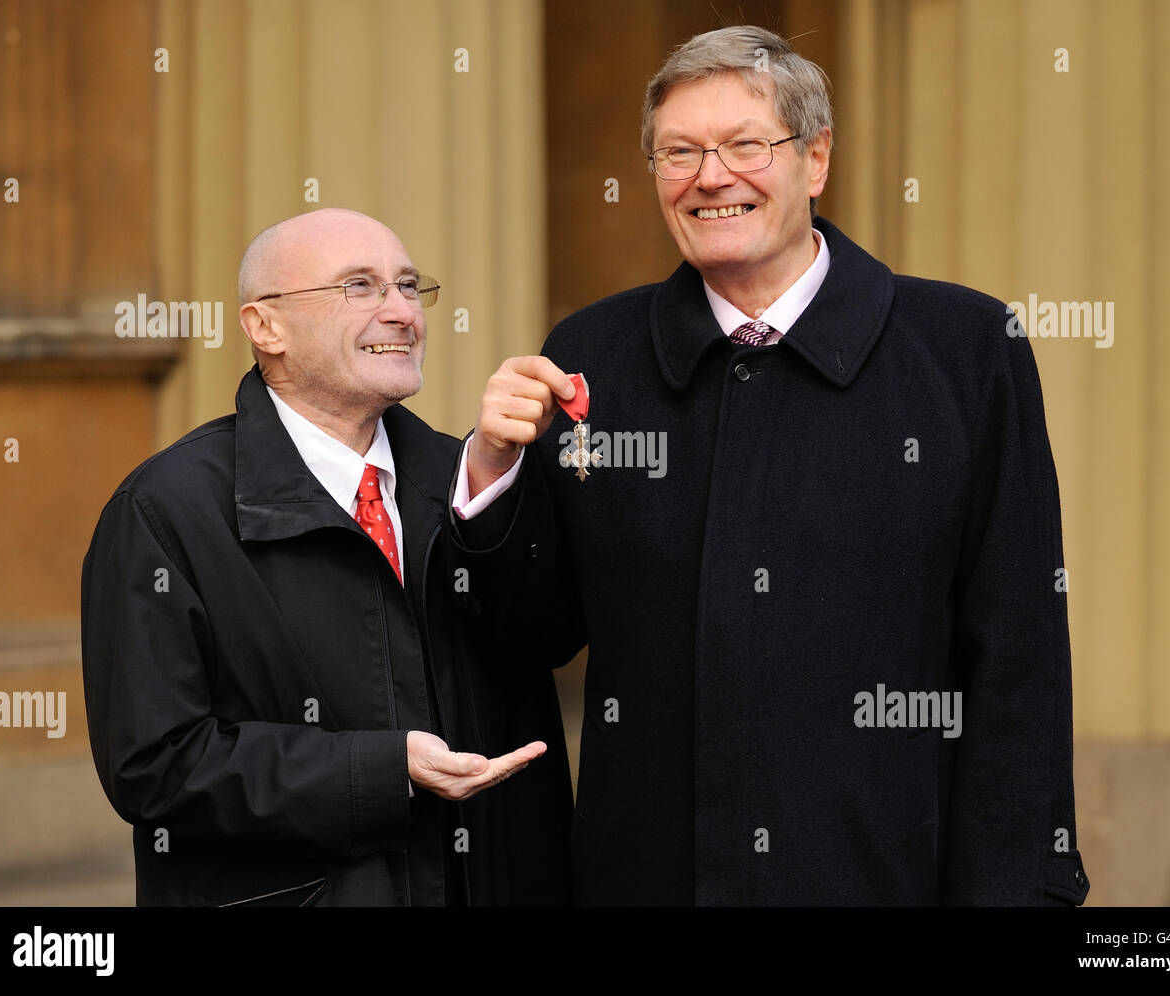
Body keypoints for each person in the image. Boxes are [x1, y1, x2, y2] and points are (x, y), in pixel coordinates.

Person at [449, 26, 1090, 905]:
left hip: (883, 878)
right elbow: (535, 633)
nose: (711, 177)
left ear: (816, 159)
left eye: (746, 145)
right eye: (679, 152)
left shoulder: (966, 350)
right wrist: (490, 476)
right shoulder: (592, 353)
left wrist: (1015, 892)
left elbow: (1017, 657)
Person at [81, 208, 572, 906]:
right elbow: (154, 768)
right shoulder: (166, 509)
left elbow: (547, 639)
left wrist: (493, 494)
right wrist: (381, 769)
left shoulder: (467, 477)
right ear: (265, 327)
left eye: (408, 286)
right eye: (360, 287)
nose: (401, 311)